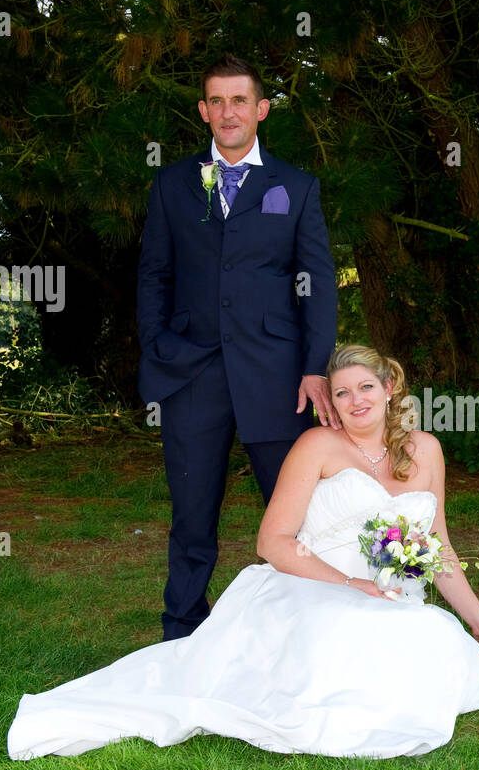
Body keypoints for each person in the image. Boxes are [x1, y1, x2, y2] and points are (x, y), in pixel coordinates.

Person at [7, 346, 479, 760]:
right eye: (342, 392)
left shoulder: (426, 450)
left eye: (365, 388)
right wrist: (352, 585)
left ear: (389, 388)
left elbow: (437, 548)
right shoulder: (316, 445)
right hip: (315, 588)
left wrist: (477, 618)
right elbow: (272, 542)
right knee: (343, 651)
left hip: (393, 594)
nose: (355, 401)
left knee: (428, 645)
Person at [137, 54, 340, 642]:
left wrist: (314, 369)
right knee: (192, 513)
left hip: (277, 377)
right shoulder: (172, 182)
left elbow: (317, 284)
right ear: (204, 111)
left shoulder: (295, 187)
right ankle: (182, 632)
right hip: (191, 374)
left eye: (240, 101)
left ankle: (305, 631)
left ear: (261, 110)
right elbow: (154, 273)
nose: (228, 112)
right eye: (217, 101)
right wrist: (157, 343)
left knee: (294, 515)